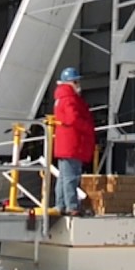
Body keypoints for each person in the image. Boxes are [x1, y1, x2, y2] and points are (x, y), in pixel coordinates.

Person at [52, 67, 95, 217]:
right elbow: (73, 119)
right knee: (71, 177)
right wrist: (88, 127)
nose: (78, 84)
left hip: (65, 144)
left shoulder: (61, 98)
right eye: (76, 81)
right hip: (73, 143)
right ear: (71, 82)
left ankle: (61, 205)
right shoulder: (70, 99)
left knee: (64, 177)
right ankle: (72, 206)